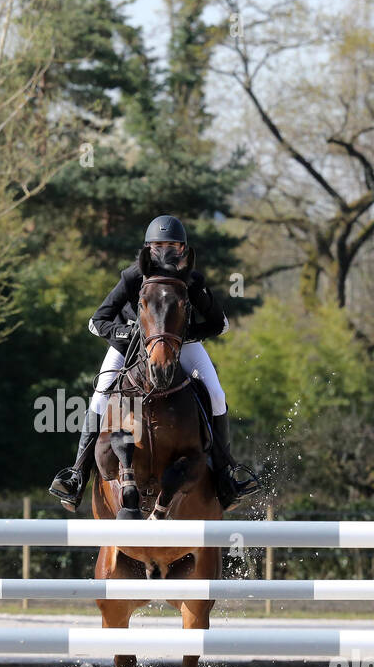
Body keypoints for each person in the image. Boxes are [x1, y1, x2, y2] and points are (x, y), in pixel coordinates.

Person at [48, 214, 260, 511]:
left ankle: (227, 474)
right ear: (149, 248)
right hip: (130, 345)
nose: (167, 251)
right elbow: (97, 322)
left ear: (183, 250)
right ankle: (76, 475)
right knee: (99, 397)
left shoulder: (192, 281)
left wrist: (179, 335)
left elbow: (219, 324)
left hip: (177, 344)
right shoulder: (132, 277)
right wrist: (133, 332)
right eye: (160, 245)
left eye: (173, 245)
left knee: (216, 394)